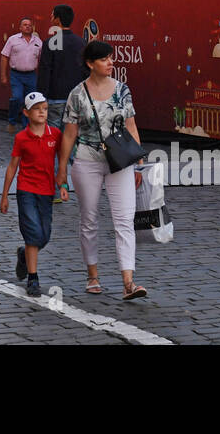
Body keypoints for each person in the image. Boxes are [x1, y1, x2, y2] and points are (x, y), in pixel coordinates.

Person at [56, 40, 147, 300]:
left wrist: (138, 160)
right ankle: (92, 275)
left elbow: (131, 126)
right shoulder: (77, 94)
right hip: (87, 160)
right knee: (89, 220)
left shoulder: (122, 90)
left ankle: (128, 282)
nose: (111, 63)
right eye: (105, 59)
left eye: (111, 58)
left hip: (120, 161)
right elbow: (69, 134)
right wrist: (62, 169)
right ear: (90, 64)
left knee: (125, 221)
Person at [0, 91, 63, 297]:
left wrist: (62, 185)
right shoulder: (21, 138)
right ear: (26, 113)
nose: (42, 113)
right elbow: (12, 166)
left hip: (47, 191)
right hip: (26, 189)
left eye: (44, 109)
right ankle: (33, 278)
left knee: (44, 236)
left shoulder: (55, 135)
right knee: (33, 233)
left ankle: (23, 256)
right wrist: (5, 195)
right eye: (37, 109)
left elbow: (61, 162)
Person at [38, 4, 87, 130]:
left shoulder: (50, 43)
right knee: (72, 135)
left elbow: (45, 71)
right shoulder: (81, 42)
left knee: (53, 133)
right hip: (76, 96)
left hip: (56, 96)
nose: (50, 18)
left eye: (52, 15)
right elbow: (85, 70)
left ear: (57, 19)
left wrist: (41, 96)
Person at [0, 18, 43, 133]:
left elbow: (42, 59)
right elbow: (4, 57)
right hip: (16, 74)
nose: (28, 27)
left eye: (29, 25)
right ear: (20, 27)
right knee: (17, 98)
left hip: (31, 75)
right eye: (25, 25)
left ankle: (26, 126)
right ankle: (12, 120)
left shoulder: (38, 41)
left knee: (30, 101)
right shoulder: (12, 40)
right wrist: (3, 75)